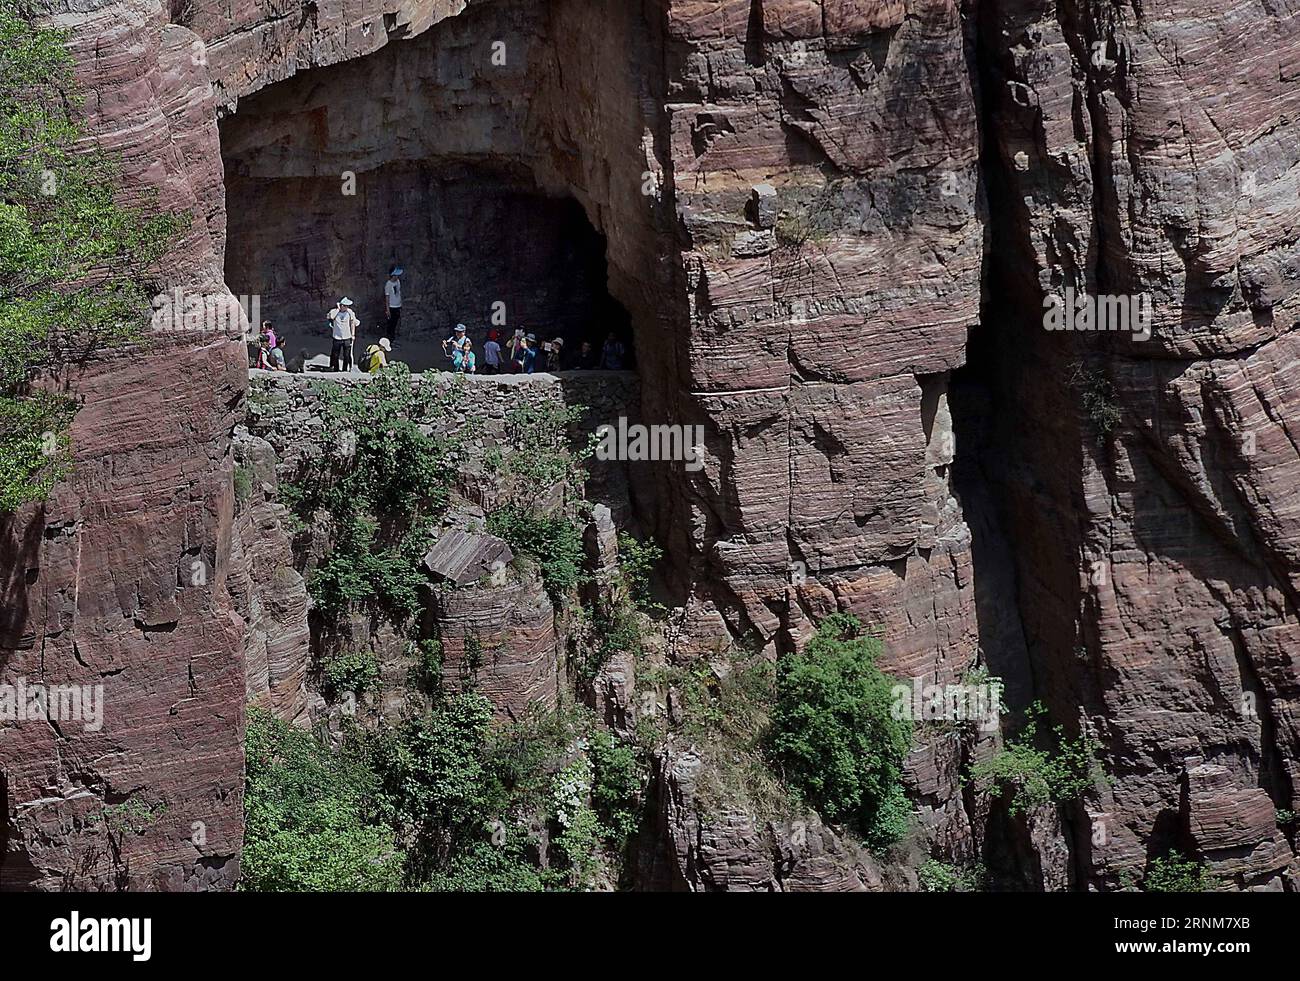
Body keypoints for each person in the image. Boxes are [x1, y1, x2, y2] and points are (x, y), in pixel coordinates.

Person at [327, 297, 359, 372]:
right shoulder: (334, 312)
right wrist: (338, 309)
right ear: (341, 305)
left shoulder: (350, 312)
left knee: (347, 355)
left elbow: (352, 323)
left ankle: (345, 369)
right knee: (335, 355)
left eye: (347, 306)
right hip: (337, 337)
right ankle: (336, 369)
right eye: (345, 306)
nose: (347, 307)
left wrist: (353, 334)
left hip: (347, 337)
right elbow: (331, 317)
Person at [384, 266, 403, 338]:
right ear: (393, 275)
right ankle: (389, 340)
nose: (398, 276)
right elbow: (387, 297)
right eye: (396, 275)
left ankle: (393, 338)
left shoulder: (398, 281)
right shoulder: (388, 285)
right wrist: (388, 310)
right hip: (392, 307)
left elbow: (399, 293)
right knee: (390, 325)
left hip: (398, 306)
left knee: (395, 324)